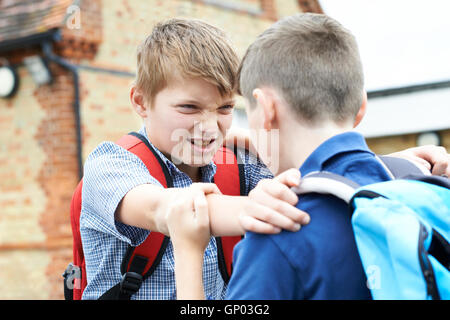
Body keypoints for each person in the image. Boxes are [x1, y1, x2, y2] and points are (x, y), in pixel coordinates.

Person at [167, 13, 450, 300]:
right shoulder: (424, 191)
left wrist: (188, 250)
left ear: (266, 110)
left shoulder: (280, 234)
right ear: (361, 106)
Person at [80, 17, 310, 300]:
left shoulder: (238, 164)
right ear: (141, 102)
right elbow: (167, 209)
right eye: (189, 107)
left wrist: (262, 143)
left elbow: (308, 181)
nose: (210, 128)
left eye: (225, 108)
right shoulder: (110, 165)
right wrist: (269, 209)